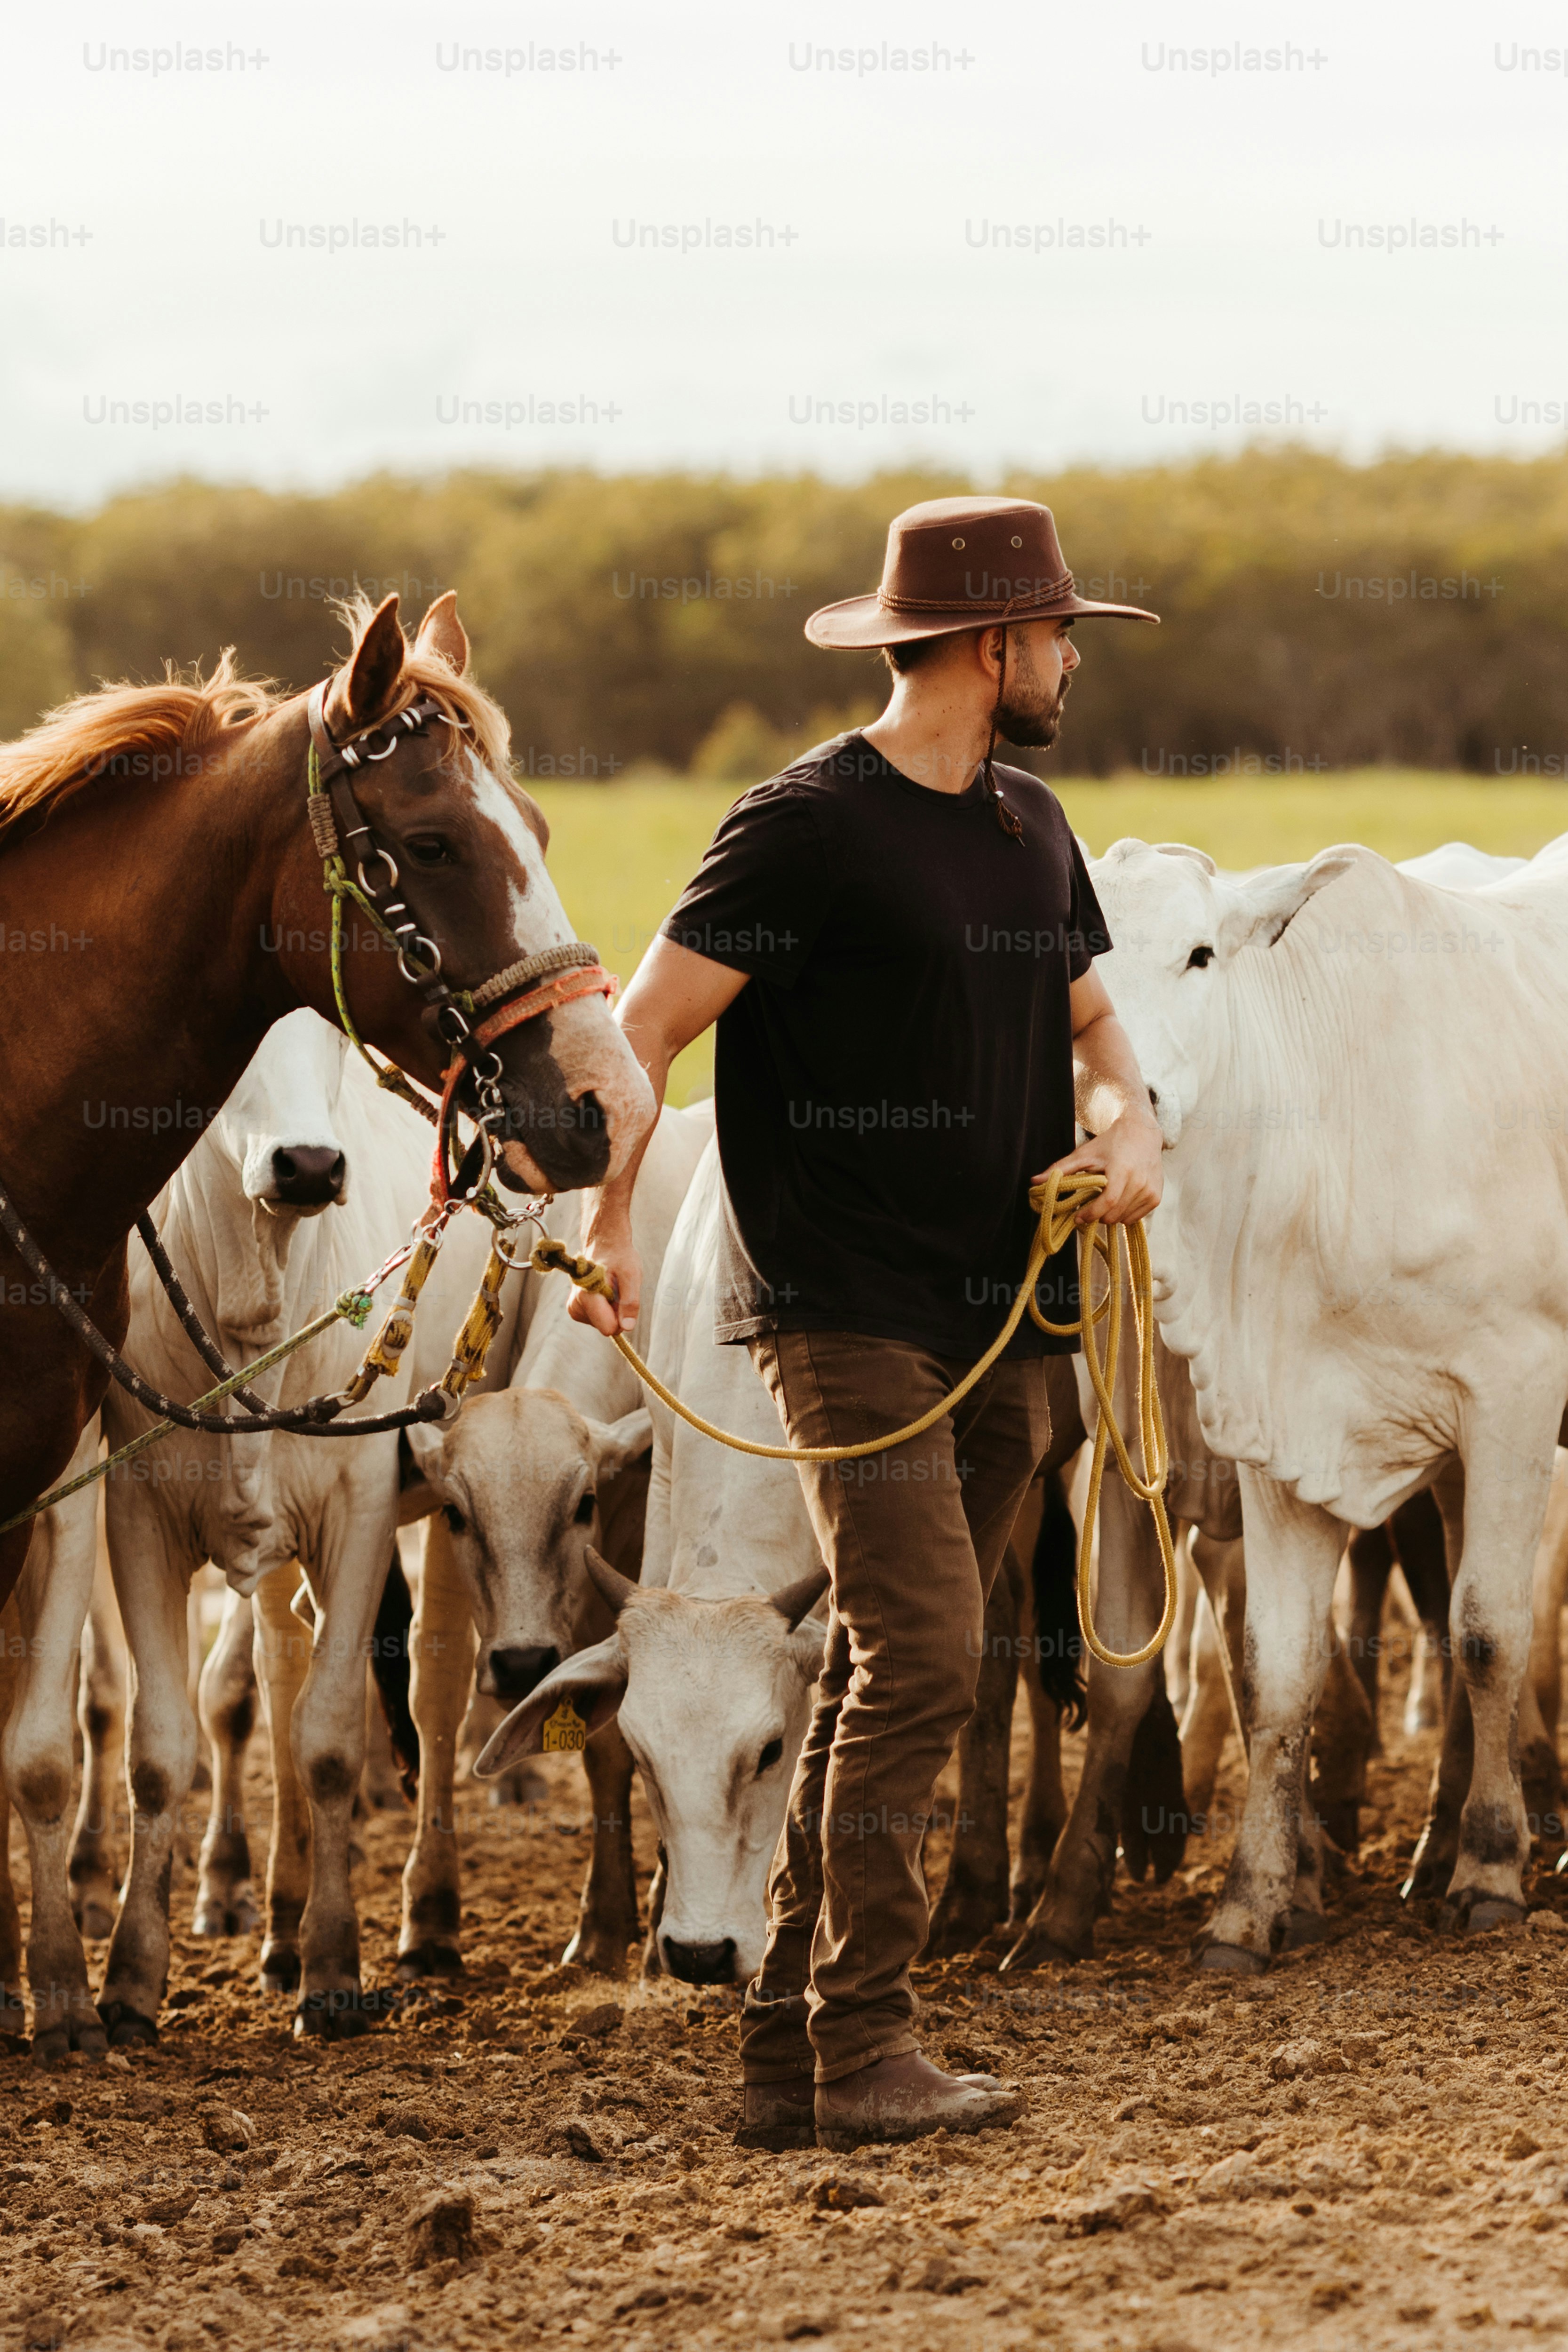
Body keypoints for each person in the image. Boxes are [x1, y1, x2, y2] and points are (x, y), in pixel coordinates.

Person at [568, 494, 1164, 2149]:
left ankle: (788, 2055)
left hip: (1004, 1323)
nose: (1066, 661)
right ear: (990, 646)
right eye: (1056, 633)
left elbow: (1101, 1025)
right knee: (919, 1651)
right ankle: (865, 2043)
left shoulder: (1033, 826)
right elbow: (646, 1029)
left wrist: (1134, 1125)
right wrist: (614, 1226)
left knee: (886, 1675)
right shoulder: (805, 828)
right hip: (842, 1315)